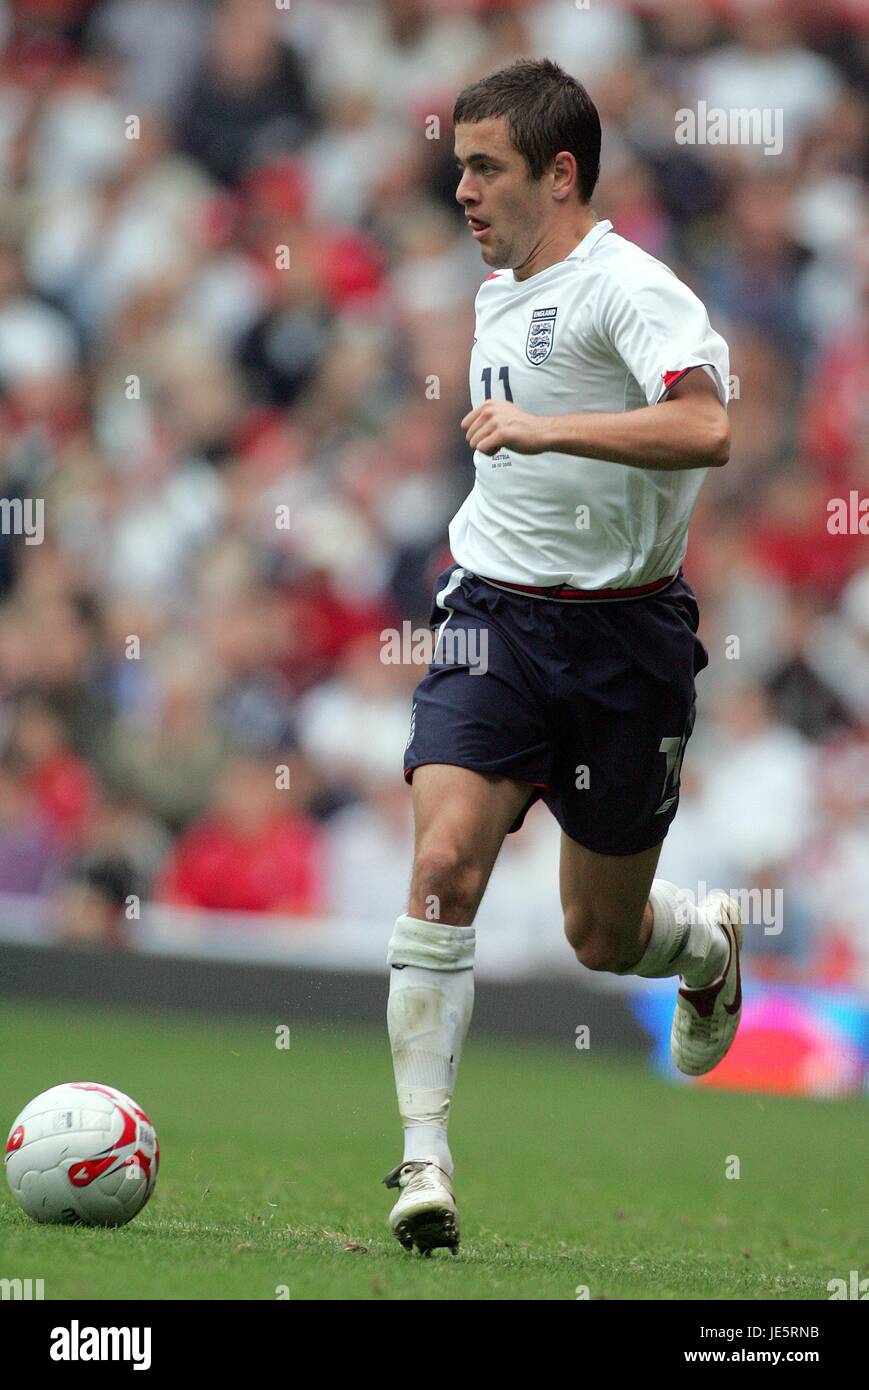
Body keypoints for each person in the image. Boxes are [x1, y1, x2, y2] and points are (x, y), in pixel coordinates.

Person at [383, 59, 741, 1256]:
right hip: (491, 616)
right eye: (457, 167)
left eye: (483, 167)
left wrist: (548, 426)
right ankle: (422, 1155)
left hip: (624, 639)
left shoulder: (631, 290)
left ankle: (700, 945)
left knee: (600, 935)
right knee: (443, 864)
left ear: (559, 171)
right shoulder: (499, 283)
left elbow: (705, 426)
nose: (463, 190)